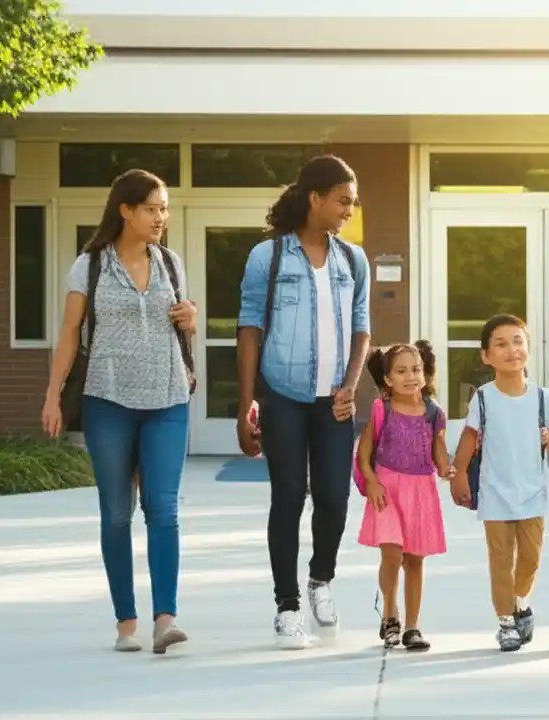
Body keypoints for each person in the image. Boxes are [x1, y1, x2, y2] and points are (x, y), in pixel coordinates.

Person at [40, 169, 197, 654]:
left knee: (164, 510)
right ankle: (126, 622)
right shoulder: (88, 266)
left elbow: (182, 326)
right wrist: (53, 393)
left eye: (164, 208)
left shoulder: (170, 263)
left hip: (168, 398)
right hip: (107, 398)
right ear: (125, 210)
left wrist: (190, 318)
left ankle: (164, 619)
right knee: (115, 513)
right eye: (151, 208)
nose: (160, 217)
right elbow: (69, 333)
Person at [235, 155, 372, 650]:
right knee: (288, 499)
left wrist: (351, 385)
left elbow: (362, 329)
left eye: (352, 204)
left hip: (333, 402)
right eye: (342, 201)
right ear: (314, 198)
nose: (348, 211)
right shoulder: (268, 257)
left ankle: (320, 579)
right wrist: (246, 402)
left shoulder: (352, 261)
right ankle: (287, 605)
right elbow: (249, 330)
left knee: (335, 500)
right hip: (284, 398)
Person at [450, 314, 549, 652]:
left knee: (531, 558)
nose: (511, 350)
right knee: (500, 560)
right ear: (486, 356)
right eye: (501, 344)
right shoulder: (483, 398)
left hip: (532, 494)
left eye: (518, 341)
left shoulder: (543, 398)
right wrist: (458, 473)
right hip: (495, 494)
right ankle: (506, 621)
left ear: (528, 349)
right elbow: (469, 438)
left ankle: (521, 602)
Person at [356, 342, 452, 651]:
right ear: (387, 379)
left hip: (421, 489)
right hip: (387, 489)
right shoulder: (381, 409)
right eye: (401, 371)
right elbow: (365, 449)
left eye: (416, 369)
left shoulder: (434, 412)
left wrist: (447, 467)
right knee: (392, 554)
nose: (410, 376)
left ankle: (413, 626)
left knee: (415, 560)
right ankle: (390, 615)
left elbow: (437, 447)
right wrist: (371, 480)